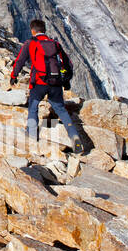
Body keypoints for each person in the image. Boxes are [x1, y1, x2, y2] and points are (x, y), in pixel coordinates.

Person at [10, 19, 87, 154]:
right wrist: (66, 81)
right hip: (56, 83)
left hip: (38, 82)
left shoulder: (30, 43)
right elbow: (68, 64)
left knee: (33, 107)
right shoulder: (55, 44)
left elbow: (20, 60)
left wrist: (13, 76)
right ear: (44, 30)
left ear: (32, 30)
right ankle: (74, 135)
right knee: (61, 110)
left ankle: (32, 136)